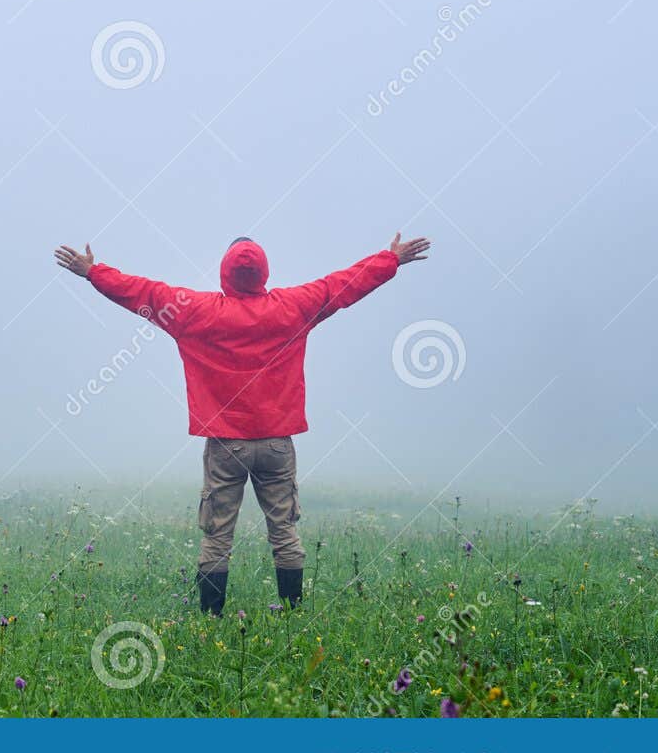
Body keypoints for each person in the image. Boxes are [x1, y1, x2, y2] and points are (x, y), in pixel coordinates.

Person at [53, 233, 430, 615]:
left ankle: (211, 619)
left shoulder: (194, 311)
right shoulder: (293, 306)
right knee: (284, 532)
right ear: (264, 273)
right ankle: (293, 615)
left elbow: (143, 293)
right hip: (276, 443)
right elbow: (343, 286)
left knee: (217, 536)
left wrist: (93, 272)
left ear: (224, 273)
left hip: (225, 445)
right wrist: (390, 260)